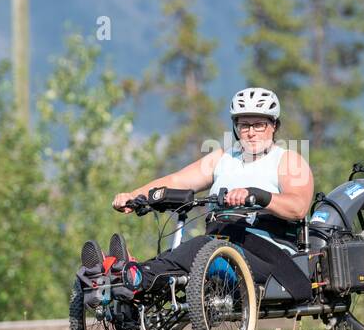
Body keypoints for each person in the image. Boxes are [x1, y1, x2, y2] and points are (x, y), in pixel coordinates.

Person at [83, 87, 314, 291]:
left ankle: (134, 274)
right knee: (180, 257)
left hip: (269, 254)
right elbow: (176, 180)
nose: (251, 132)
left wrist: (257, 195)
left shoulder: (288, 161)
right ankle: (119, 282)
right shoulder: (222, 158)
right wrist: (134, 196)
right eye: (244, 125)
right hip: (220, 246)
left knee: (198, 248)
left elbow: (298, 208)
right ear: (235, 128)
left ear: (274, 126)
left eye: (259, 124)